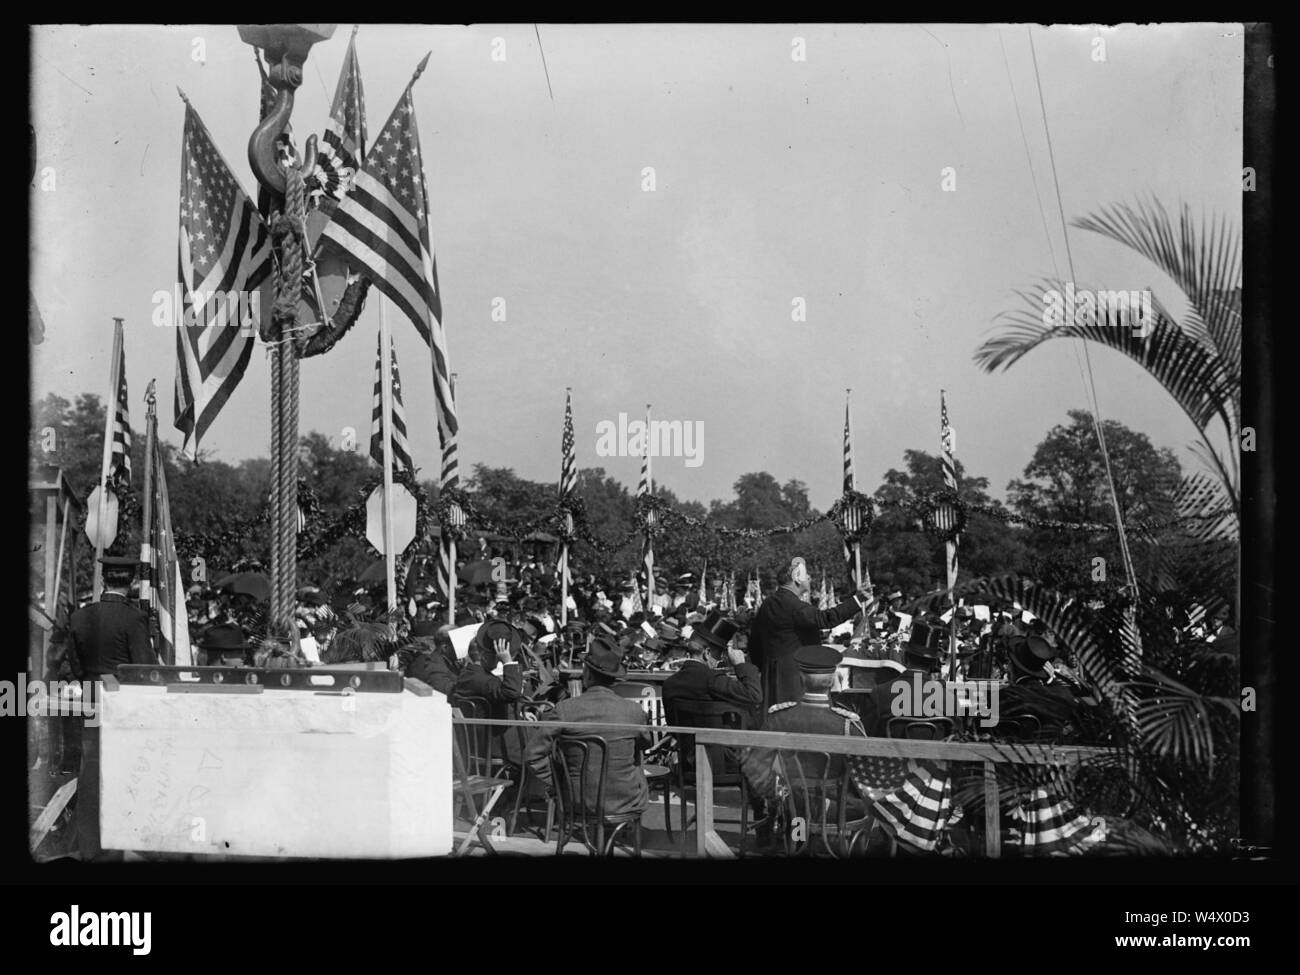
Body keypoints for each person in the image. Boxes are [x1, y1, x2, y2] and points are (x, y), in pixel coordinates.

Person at [65, 555, 158, 862]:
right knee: (127, 770)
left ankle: (91, 847)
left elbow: (75, 665)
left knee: (90, 770)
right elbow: (143, 667)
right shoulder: (133, 619)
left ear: (104, 580)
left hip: (92, 695)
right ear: (131, 583)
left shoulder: (80, 617)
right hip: (123, 700)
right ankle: (122, 841)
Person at [740, 645, 868, 833]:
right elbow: (866, 774)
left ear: (801, 679)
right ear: (833, 680)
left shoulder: (778, 717)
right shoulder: (847, 723)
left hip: (791, 807)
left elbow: (755, 764)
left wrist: (770, 803)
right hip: (836, 809)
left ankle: (795, 838)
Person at [524, 638, 653, 820]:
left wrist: (559, 782)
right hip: (626, 799)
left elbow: (532, 754)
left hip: (576, 797)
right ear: (614, 679)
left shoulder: (565, 709)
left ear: (587, 675)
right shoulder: (634, 711)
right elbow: (644, 745)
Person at [747, 556, 874, 713]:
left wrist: (767, 667)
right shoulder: (794, 606)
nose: (809, 577)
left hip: (770, 677)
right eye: (806, 574)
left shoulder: (767, 604)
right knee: (795, 725)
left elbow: (754, 643)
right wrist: (857, 599)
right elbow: (826, 619)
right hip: (794, 681)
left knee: (775, 723)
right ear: (796, 578)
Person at [662, 611, 762, 719]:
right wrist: (741, 665)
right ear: (707, 653)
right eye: (719, 656)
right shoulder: (713, 681)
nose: (719, 661)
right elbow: (754, 695)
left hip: (682, 736)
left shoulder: (669, 684)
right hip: (718, 736)